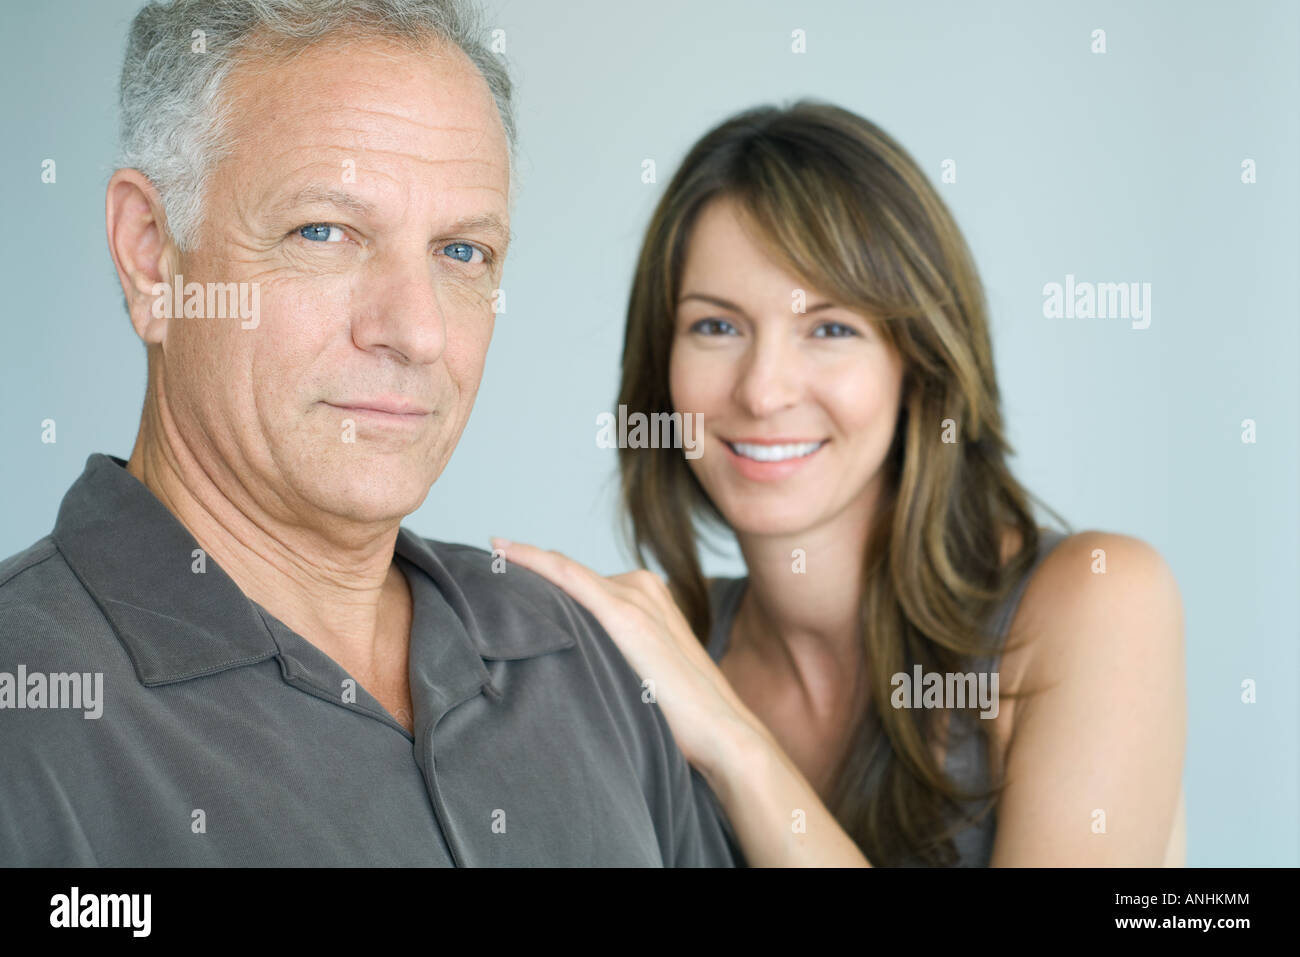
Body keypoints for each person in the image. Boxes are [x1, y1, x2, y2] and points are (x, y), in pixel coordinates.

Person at [0, 0, 738, 867]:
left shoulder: (579, 656)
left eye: (462, 251)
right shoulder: (29, 714)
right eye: (325, 232)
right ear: (154, 254)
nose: (417, 332)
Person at [495, 101, 1188, 866]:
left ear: (917, 365)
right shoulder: (662, 659)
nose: (762, 391)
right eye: (715, 326)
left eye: (830, 328)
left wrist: (735, 745)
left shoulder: (1097, 597)